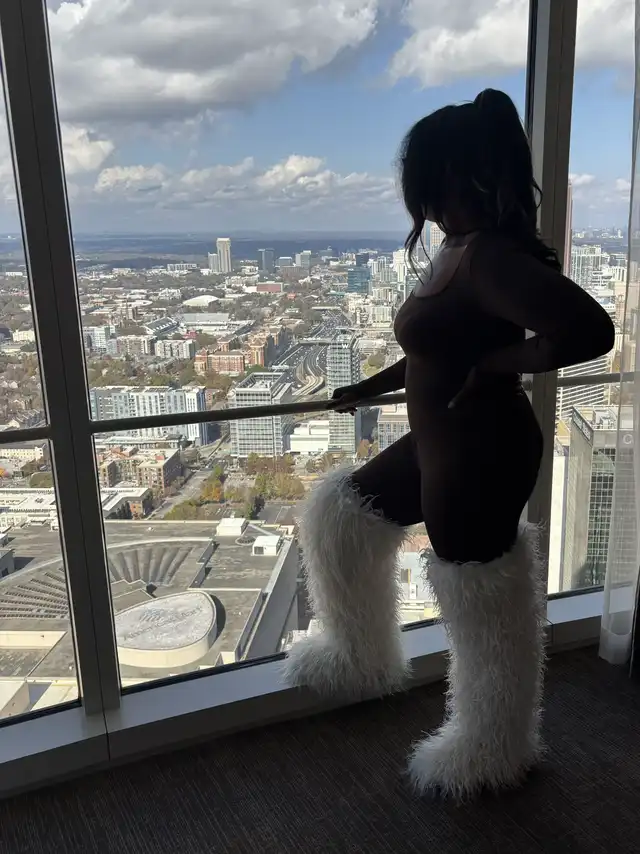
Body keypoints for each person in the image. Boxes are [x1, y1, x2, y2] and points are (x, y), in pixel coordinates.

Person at [282, 89, 615, 799]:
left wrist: (495, 366)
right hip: (443, 440)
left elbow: (590, 332)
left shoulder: (488, 257)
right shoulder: (459, 249)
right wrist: (369, 385)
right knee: (342, 514)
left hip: (479, 451)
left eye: (424, 179)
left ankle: (493, 747)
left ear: (457, 175)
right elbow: (438, 349)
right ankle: (360, 658)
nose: (419, 198)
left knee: (481, 605)